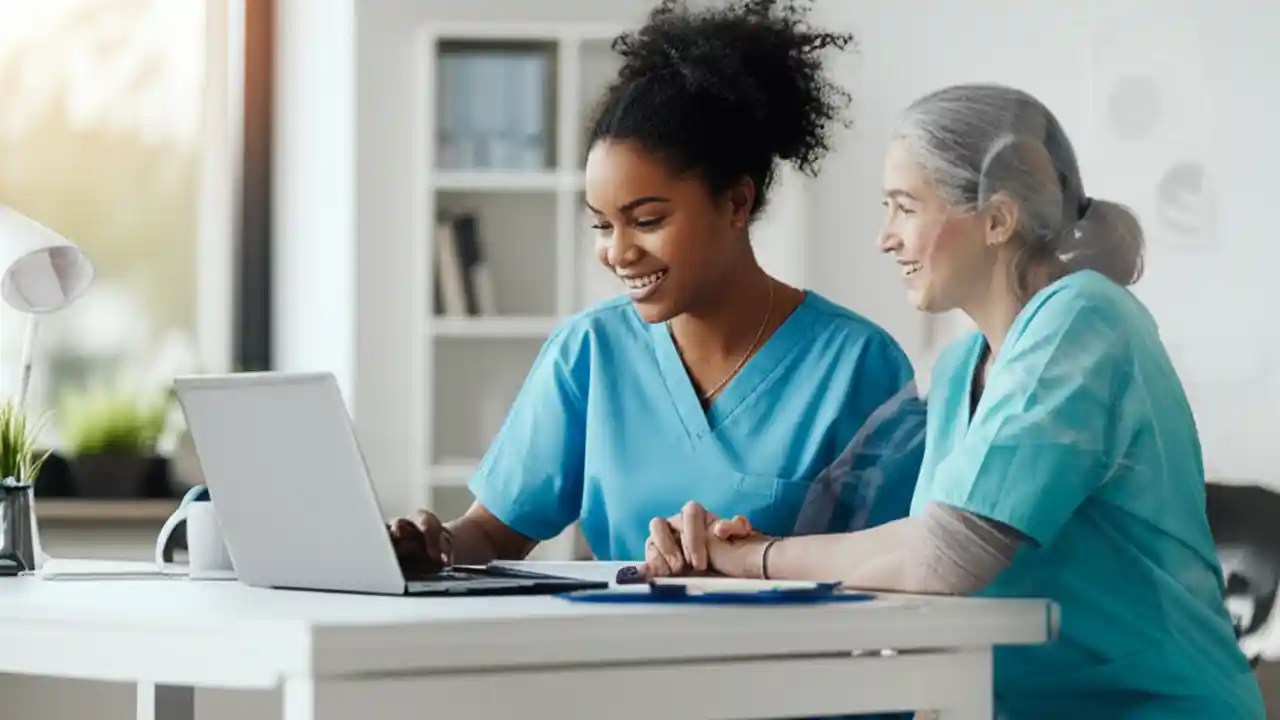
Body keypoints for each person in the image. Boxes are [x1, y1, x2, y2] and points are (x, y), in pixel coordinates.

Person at [651, 84, 1265, 719]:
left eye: (904, 207)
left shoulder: (1084, 320)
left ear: (997, 219)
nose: (885, 239)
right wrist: (728, 550)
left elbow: (946, 555)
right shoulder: (956, 374)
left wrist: (755, 559)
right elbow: (922, 578)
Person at [389, 0, 925, 573]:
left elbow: (901, 567)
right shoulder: (590, 353)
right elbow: (492, 535)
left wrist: (752, 559)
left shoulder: (858, 366)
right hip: (616, 658)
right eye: (601, 224)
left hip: (788, 660)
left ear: (736, 202)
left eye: (647, 221)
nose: (618, 252)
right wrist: (436, 545)